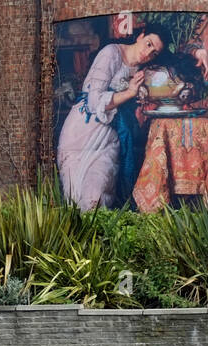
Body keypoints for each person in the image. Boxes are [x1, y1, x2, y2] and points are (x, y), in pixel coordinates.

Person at [57, 25, 171, 209]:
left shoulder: (142, 69)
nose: (148, 52)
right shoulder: (112, 53)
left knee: (97, 197)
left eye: (154, 52)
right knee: (75, 200)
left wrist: (198, 52)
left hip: (110, 138)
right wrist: (130, 92)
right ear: (140, 36)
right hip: (82, 134)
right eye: (148, 44)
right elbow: (94, 103)